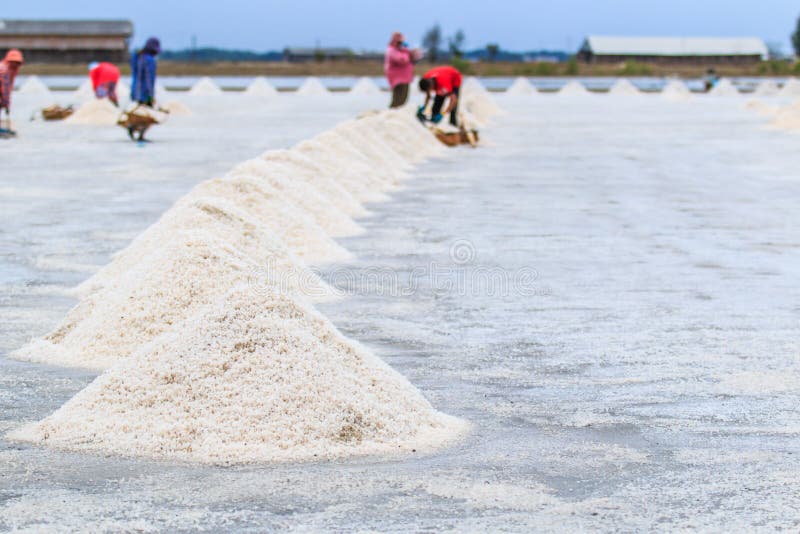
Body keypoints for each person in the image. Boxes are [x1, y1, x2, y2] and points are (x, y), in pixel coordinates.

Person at [129, 37, 161, 140]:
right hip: (144, 92)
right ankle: (139, 131)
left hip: (135, 89)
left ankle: (134, 127)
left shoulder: (137, 56)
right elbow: (149, 79)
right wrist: (150, 95)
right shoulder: (149, 60)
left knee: (140, 111)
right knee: (146, 114)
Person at [384, 32, 417, 108]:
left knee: (403, 99)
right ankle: (391, 114)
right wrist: (406, 52)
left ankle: (397, 114)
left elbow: (411, 59)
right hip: (397, 79)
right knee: (398, 99)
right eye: (400, 42)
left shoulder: (401, 50)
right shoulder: (391, 50)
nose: (401, 43)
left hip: (405, 78)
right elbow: (402, 60)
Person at [0, 49, 24, 136]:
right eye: (13, 62)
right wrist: (6, 103)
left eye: (16, 63)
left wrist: (6, 103)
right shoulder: (3, 70)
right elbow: (5, 89)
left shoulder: (11, 70)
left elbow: (8, 88)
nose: (15, 64)